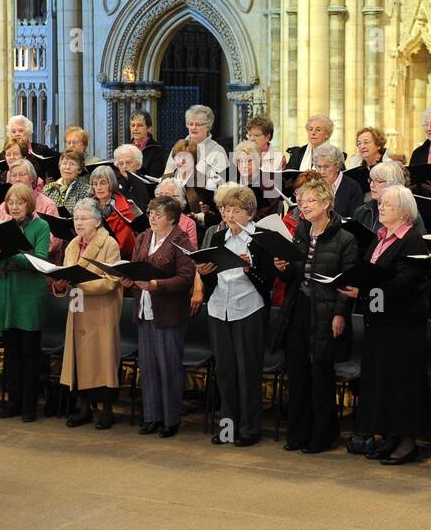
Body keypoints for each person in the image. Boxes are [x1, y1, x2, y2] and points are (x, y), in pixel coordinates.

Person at [338, 185, 430, 465]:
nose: (381, 208)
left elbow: (405, 283)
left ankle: (407, 442)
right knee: (383, 382)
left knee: (402, 382)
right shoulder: (381, 238)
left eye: (387, 204)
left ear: (403, 211)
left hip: (403, 325)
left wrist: (363, 294)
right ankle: (389, 435)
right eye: (381, 203)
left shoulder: (412, 241)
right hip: (379, 322)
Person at [273, 180, 358, 454]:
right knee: (297, 373)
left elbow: (348, 282)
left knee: (321, 375)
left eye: (310, 201)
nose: (304, 205)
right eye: (302, 200)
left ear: (326, 204)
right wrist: (283, 268)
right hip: (298, 307)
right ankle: (298, 433)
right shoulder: (301, 232)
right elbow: (295, 274)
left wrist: (340, 314)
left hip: (325, 311)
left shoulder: (345, 239)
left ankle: (322, 436)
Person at [196, 183, 276, 447]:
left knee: (248, 372)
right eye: (226, 209)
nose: (228, 215)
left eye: (235, 210)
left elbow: (268, 280)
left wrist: (250, 269)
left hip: (248, 308)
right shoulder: (219, 238)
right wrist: (205, 274)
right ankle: (228, 427)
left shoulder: (261, 239)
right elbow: (213, 280)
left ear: (249, 213)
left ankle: (249, 428)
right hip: (219, 308)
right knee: (225, 372)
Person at [124, 195, 196, 437]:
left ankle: (171, 420)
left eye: (158, 215)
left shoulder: (181, 240)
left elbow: (186, 278)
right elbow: (135, 266)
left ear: (172, 218)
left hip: (168, 313)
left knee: (169, 367)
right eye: (150, 213)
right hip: (144, 310)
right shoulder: (144, 237)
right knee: (148, 366)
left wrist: (157, 285)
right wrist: (128, 279)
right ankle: (152, 417)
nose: (152, 218)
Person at [0, 185, 51, 421]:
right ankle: (13, 403)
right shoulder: (3, 227)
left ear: (29, 204)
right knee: (11, 352)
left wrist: (12, 251)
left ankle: (29, 407)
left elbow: (40, 260)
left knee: (30, 353)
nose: (14, 207)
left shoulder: (41, 226)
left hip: (29, 295)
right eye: (10, 203)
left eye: (19, 203)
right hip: (7, 293)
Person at [53, 200, 123, 429]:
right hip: (77, 307)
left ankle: (107, 411)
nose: (79, 223)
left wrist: (79, 284)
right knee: (79, 358)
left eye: (84, 218)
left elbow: (111, 281)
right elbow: (66, 276)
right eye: (76, 218)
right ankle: (84, 409)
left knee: (103, 359)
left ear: (98, 221)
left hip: (101, 309)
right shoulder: (72, 245)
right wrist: (60, 286)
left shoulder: (109, 244)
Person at [163, 105, 227, 188]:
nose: (193, 127)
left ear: (208, 126)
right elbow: (167, 176)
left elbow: (222, 184)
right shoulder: (178, 147)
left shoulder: (218, 151)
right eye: (190, 124)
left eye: (198, 124)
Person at [353, 161, 425, 234]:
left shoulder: (408, 214)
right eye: (371, 180)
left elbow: (418, 239)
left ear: (394, 184)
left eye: (379, 181)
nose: (371, 185)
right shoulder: (362, 211)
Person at [89, 165, 137, 259]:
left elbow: (126, 246)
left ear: (111, 184)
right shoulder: (90, 205)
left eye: (103, 183)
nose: (98, 187)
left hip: (115, 257)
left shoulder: (122, 210)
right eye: (95, 184)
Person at [313, 143, 361, 218]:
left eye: (326, 166)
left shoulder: (353, 187)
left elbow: (356, 219)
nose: (322, 171)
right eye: (319, 167)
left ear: (337, 166)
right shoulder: (313, 185)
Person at [5, 115, 58, 180]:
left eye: (21, 131)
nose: (17, 134)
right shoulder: (5, 152)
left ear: (28, 132)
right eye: (13, 132)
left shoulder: (41, 149)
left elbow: (58, 161)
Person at [346, 126, 388, 196]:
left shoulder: (389, 165)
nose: (362, 146)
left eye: (366, 142)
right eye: (359, 143)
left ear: (378, 145)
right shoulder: (355, 166)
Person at [111, 143, 152, 211]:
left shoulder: (146, 183)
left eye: (128, 162)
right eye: (121, 163)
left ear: (138, 164)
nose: (124, 166)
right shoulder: (113, 183)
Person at [129, 110, 165, 179]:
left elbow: (154, 178)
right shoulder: (125, 149)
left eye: (140, 125)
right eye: (133, 125)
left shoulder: (157, 150)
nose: (135, 128)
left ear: (149, 128)